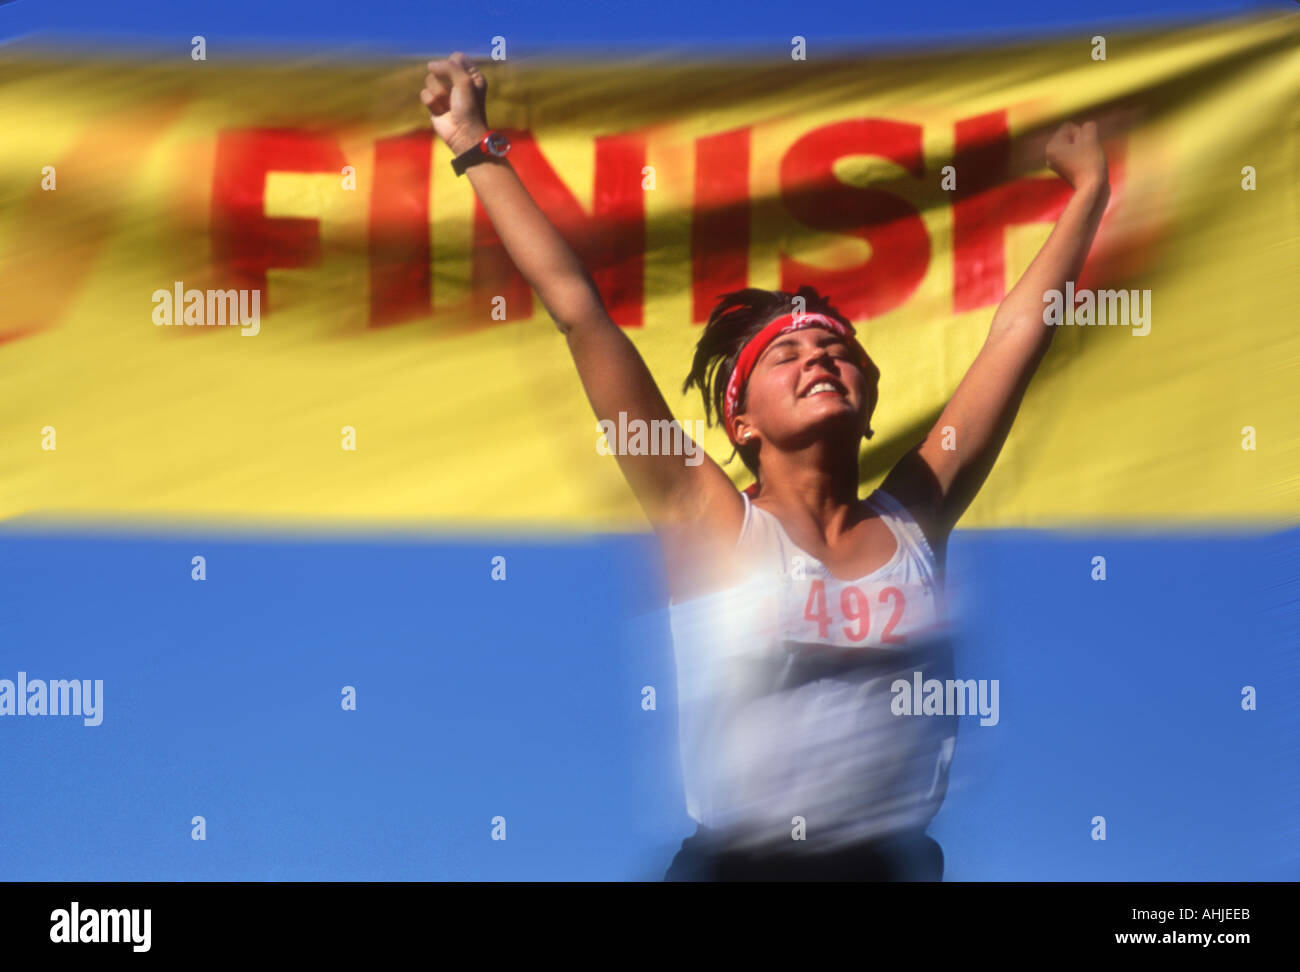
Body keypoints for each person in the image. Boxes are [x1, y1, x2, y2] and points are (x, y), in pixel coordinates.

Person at [421, 52, 1110, 880]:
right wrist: (472, 143)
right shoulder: (706, 514)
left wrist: (1089, 195)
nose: (820, 357)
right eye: (788, 353)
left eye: (837, 348)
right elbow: (580, 313)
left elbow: (1015, 338)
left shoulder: (916, 513)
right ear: (739, 420)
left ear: (867, 393)